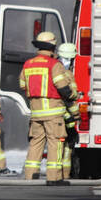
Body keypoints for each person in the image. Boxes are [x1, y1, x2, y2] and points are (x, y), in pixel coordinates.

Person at [20, 31, 76, 183]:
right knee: (55, 143)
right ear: (52, 47)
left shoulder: (28, 64)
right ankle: (54, 177)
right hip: (53, 113)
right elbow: (63, 88)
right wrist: (73, 95)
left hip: (36, 113)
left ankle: (30, 176)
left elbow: (23, 85)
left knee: (36, 143)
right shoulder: (54, 65)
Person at [55, 42, 81, 178]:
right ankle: (63, 175)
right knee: (65, 146)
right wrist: (75, 115)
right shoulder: (66, 74)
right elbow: (70, 97)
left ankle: (60, 175)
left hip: (59, 115)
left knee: (61, 145)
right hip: (63, 115)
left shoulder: (52, 70)